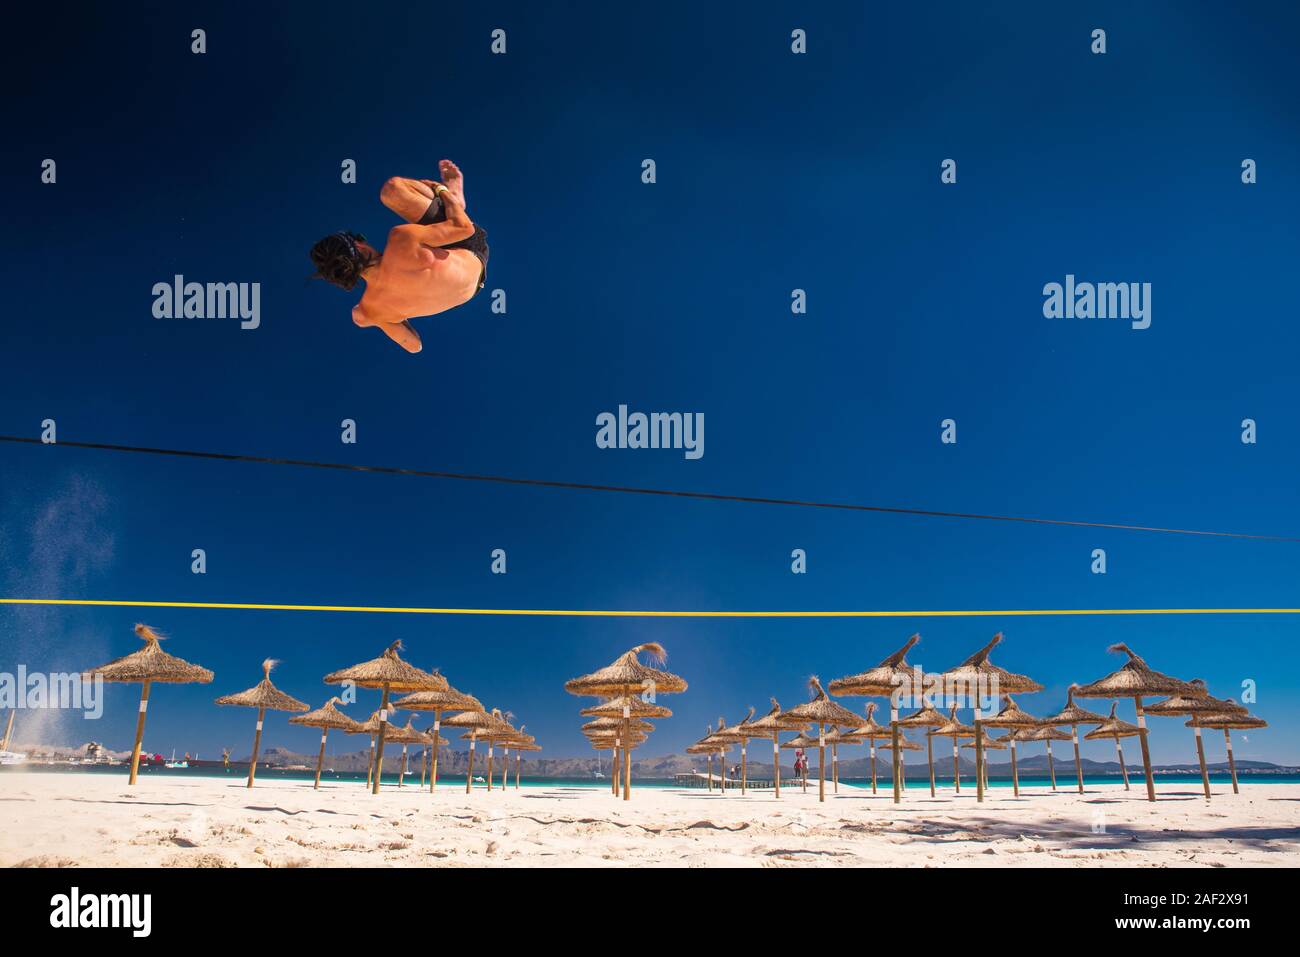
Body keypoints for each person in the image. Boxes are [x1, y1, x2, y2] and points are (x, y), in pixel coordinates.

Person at [308, 159, 489, 354]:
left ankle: (448, 207)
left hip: (467, 293)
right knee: (392, 190)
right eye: (360, 238)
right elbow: (464, 228)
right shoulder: (401, 240)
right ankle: (454, 199)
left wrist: (385, 316)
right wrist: (440, 190)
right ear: (358, 246)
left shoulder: (368, 312)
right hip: (472, 250)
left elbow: (413, 346)